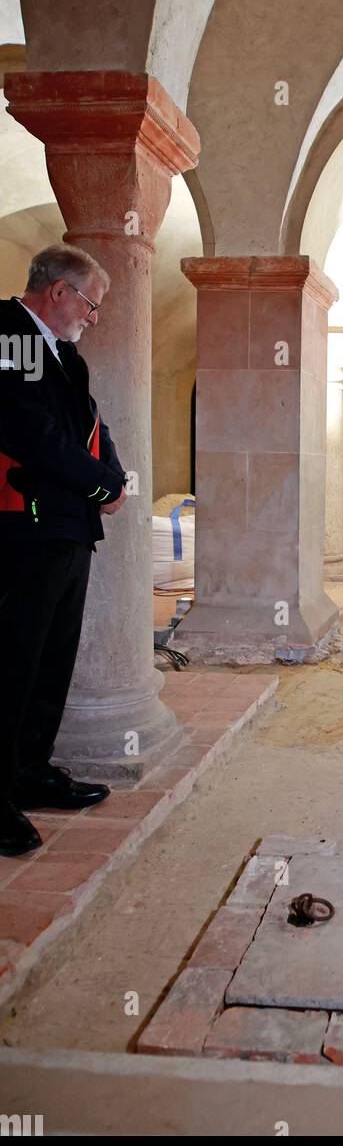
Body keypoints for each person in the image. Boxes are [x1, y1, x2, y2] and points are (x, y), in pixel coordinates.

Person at [0, 245, 128, 857]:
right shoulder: (11, 335)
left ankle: (29, 771)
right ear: (58, 292)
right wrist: (100, 485)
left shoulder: (66, 356)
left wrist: (116, 474)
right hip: (21, 528)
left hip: (66, 525)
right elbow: (30, 432)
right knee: (10, 662)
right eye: (91, 303)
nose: (94, 317)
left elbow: (92, 426)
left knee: (51, 657)